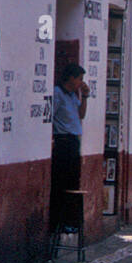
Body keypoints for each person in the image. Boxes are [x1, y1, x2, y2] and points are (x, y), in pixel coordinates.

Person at [50, 63, 88, 231]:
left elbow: (81, 115)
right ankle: (59, 221)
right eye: (79, 79)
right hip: (63, 141)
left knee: (73, 181)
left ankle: (70, 221)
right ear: (71, 78)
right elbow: (51, 116)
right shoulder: (57, 93)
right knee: (62, 182)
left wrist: (85, 97)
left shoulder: (73, 96)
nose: (81, 82)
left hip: (73, 141)